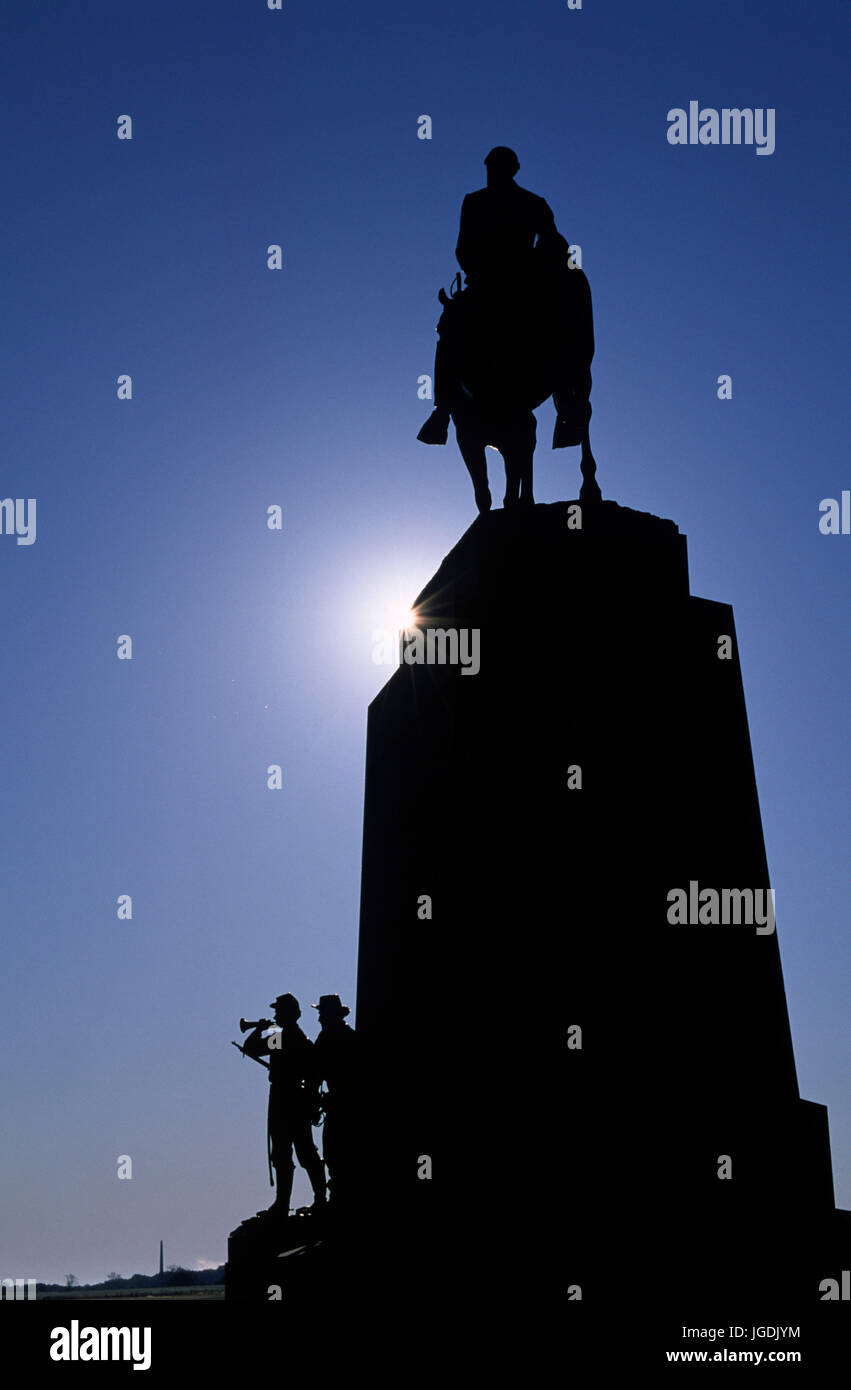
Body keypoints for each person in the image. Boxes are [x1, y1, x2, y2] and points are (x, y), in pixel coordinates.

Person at [417, 146, 563, 447]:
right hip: (485, 284)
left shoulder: (533, 204)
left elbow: (554, 243)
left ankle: (571, 402)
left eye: (498, 167)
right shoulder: (474, 203)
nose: (492, 173)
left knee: (565, 322)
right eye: (490, 168)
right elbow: (462, 249)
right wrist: (483, 268)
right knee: (449, 325)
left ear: (513, 170)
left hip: (524, 288)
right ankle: (442, 411)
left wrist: (533, 262)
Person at [241, 993, 326, 1215]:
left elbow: (250, 1047)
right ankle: (294, 1202)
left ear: (289, 1014)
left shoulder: (287, 1037)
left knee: (301, 1151)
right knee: (285, 1152)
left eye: (279, 1011)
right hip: (287, 1097)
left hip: (288, 1098)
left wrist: (259, 1028)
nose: (275, 1015)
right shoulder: (292, 1037)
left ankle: (306, 1201)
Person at [311, 995, 361, 1212]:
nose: (320, 1018)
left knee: (335, 1152)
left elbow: (315, 1072)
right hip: (346, 1104)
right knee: (340, 1153)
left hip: (342, 1105)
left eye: (322, 1013)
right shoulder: (349, 1036)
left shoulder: (328, 1038)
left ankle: (338, 1200)